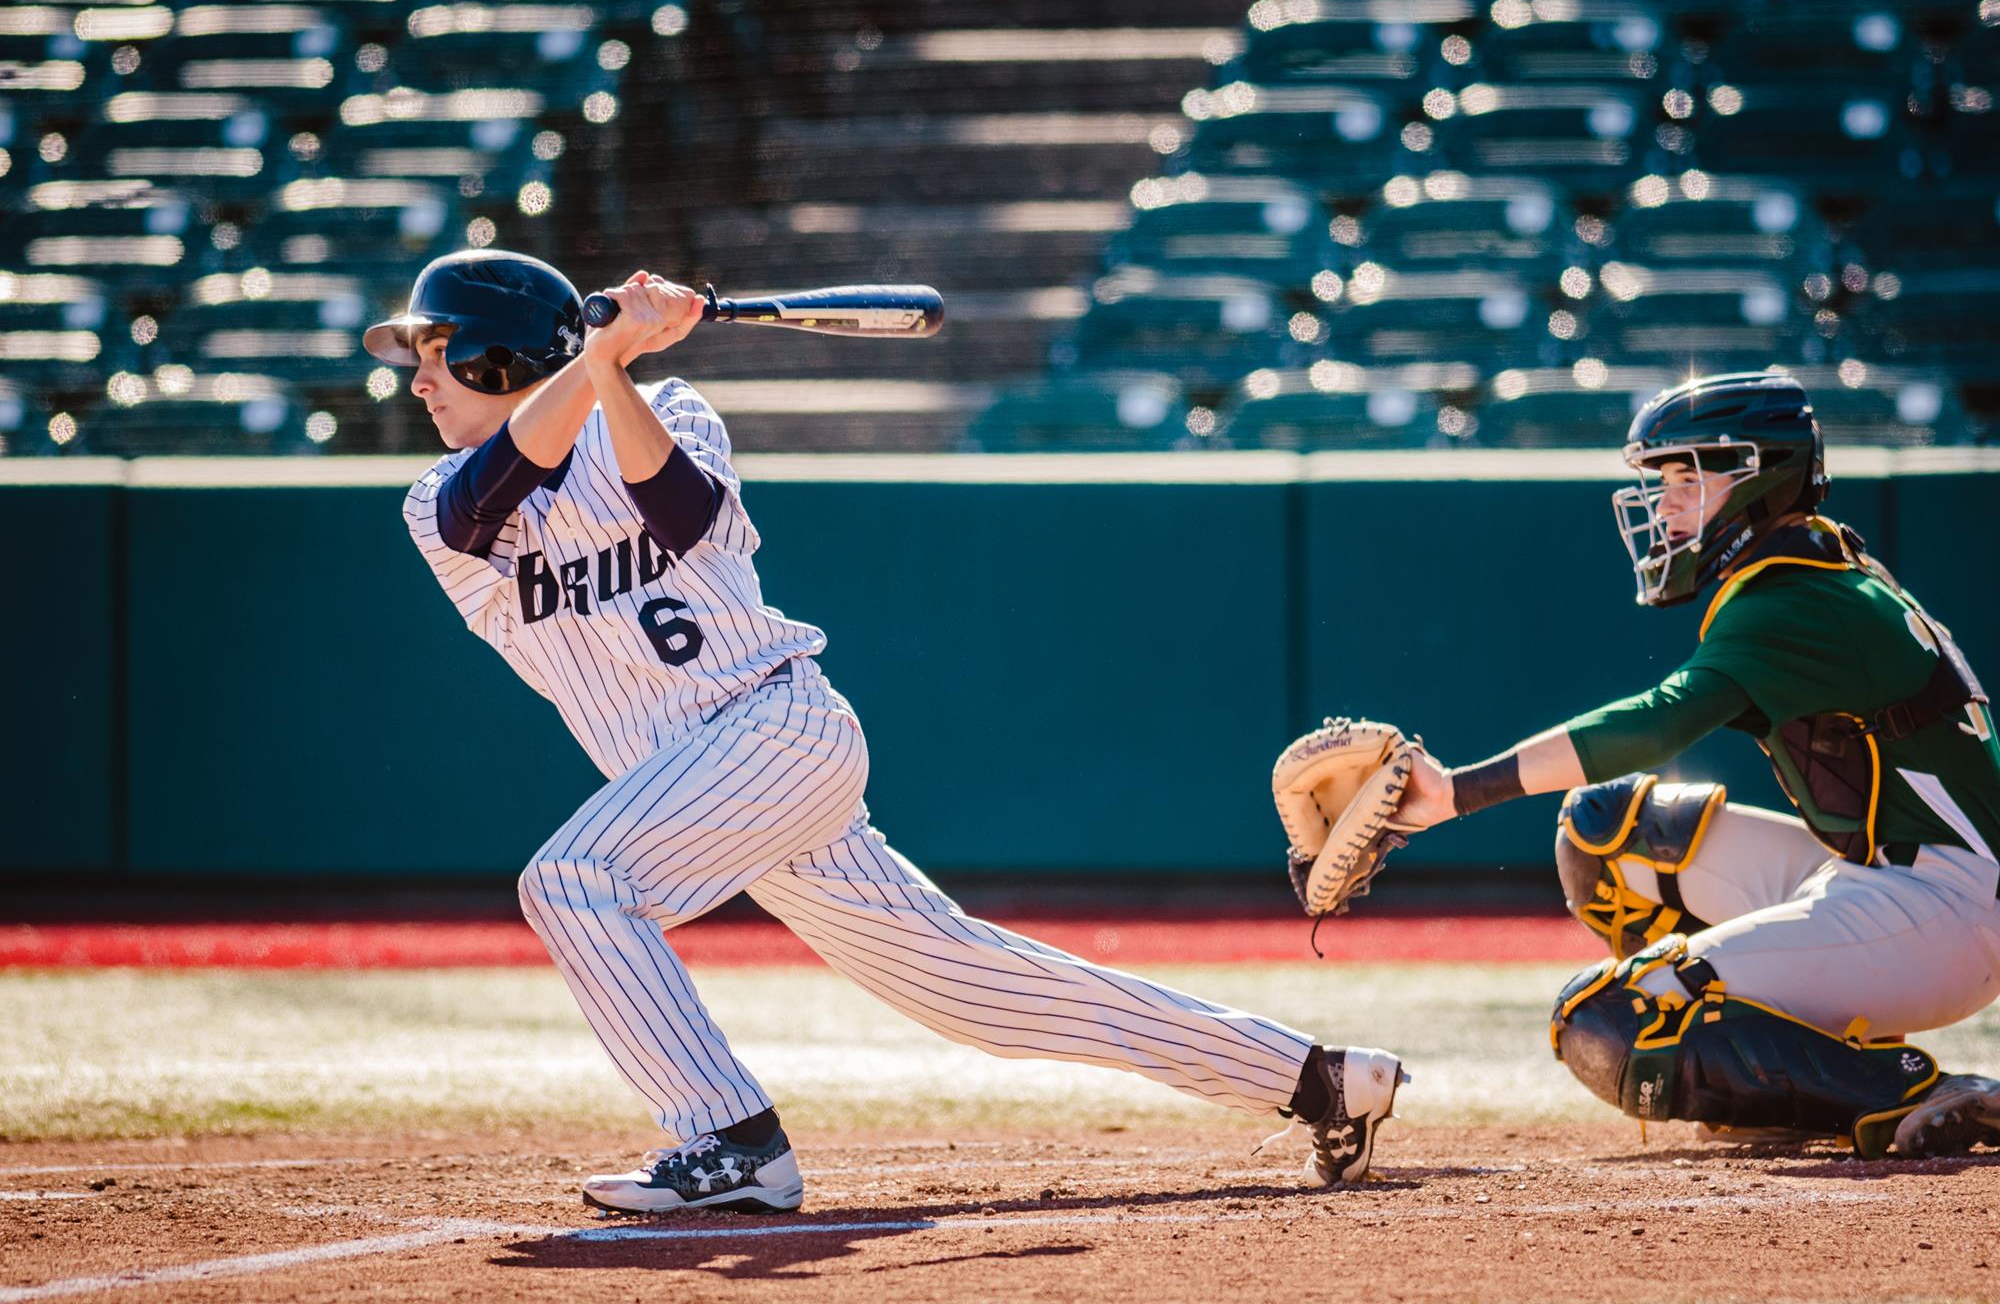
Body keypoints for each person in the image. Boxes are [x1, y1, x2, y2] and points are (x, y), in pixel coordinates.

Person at [362, 248, 1407, 1213]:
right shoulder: (431, 505)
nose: (417, 377)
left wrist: (612, 363)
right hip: (702, 789)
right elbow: (481, 504)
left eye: (440, 350)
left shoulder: (668, 405)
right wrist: (601, 351)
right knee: (972, 991)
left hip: (775, 731)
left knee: (571, 880)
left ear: (505, 350)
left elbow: (677, 516)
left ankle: (732, 1139)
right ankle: (1319, 1081)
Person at [1387, 370, 2000, 1157]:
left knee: (1610, 1016)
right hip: (1894, 872)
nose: (1666, 501)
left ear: (1756, 476)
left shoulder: (1792, 598)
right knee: (1609, 832)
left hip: (1943, 909)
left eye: (1686, 476)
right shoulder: (1811, 571)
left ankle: (1908, 1088)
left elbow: (1650, 726)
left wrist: (1455, 793)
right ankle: (1779, 1085)